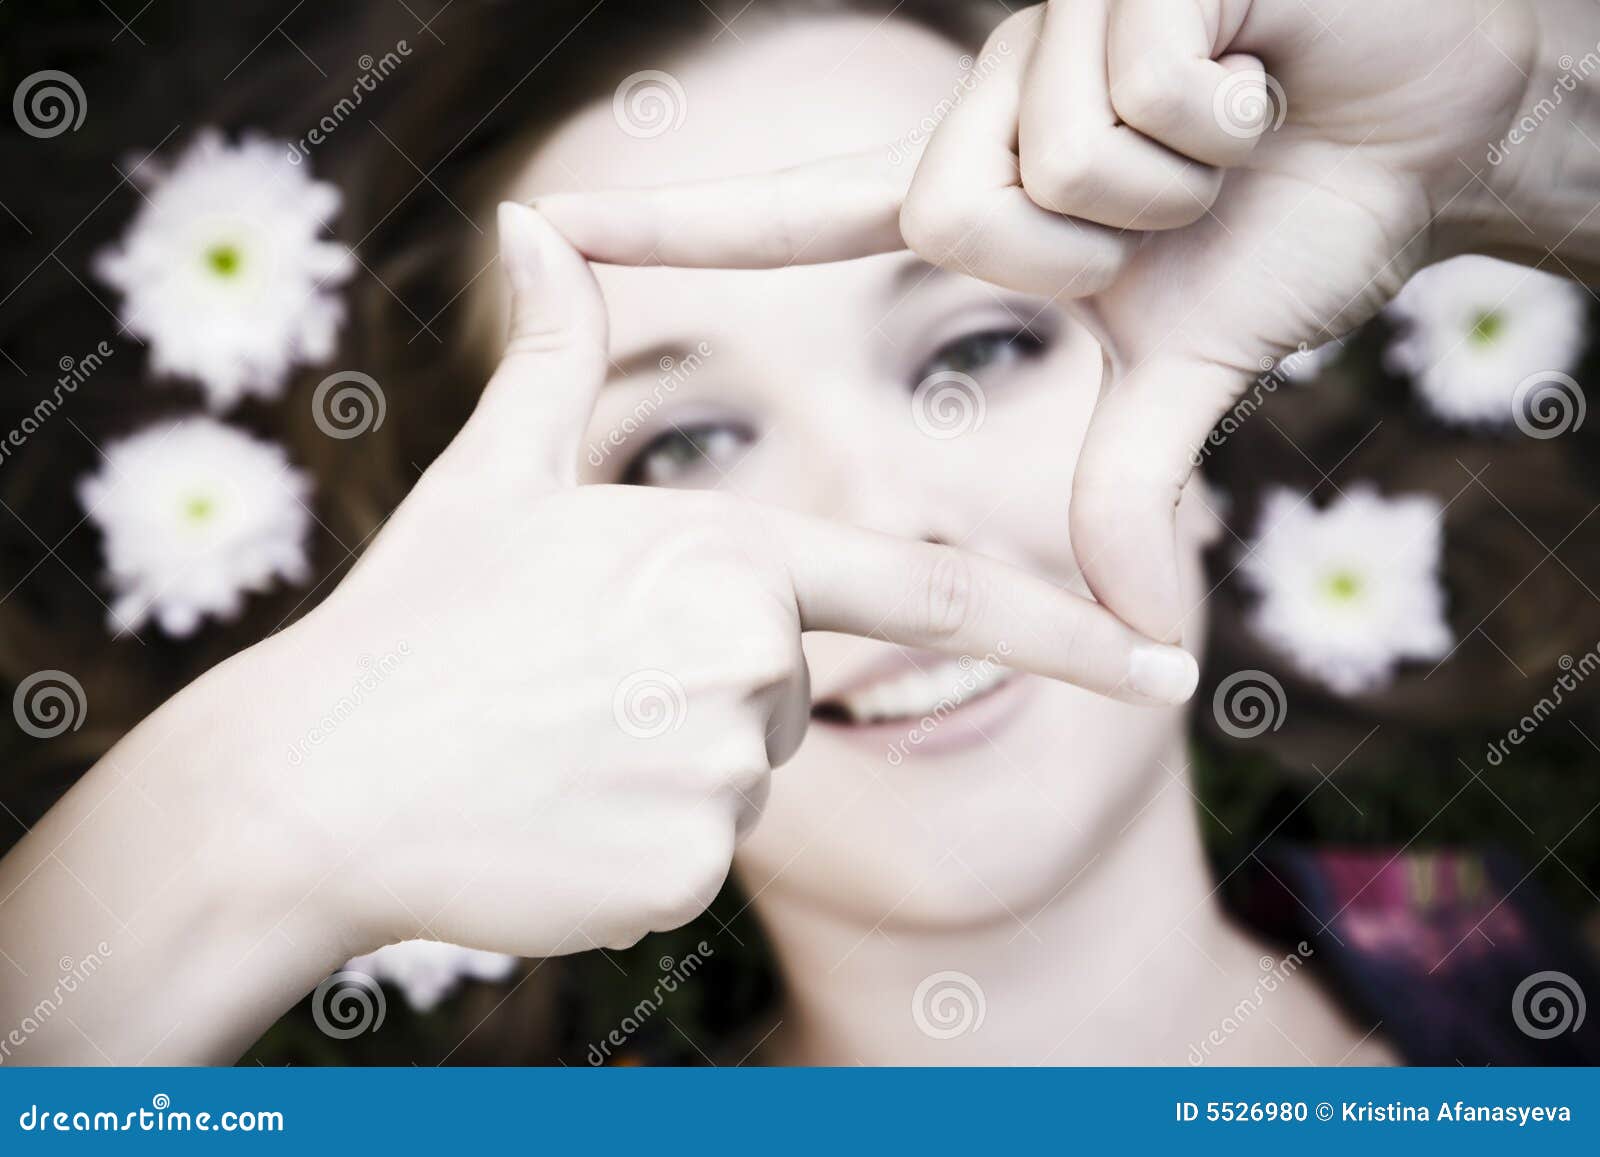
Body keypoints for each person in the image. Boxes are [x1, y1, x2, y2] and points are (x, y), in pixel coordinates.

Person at [1, 0, 1596, 1065]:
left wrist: (1534, 121)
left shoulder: (1519, 971)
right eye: (686, 443)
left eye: (980, 348)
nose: (883, 524)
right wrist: (256, 820)